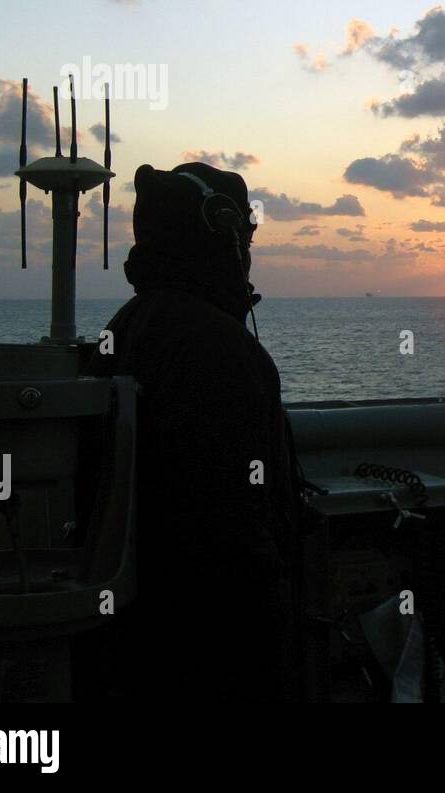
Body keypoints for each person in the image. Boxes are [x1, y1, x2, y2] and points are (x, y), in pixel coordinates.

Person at [80, 162, 303, 701]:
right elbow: (232, 532)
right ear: (220, 231)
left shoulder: (125, 328)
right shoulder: (221, 350)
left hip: (140, 646)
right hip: (213, 650)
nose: (248, 250)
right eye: (244, 233)